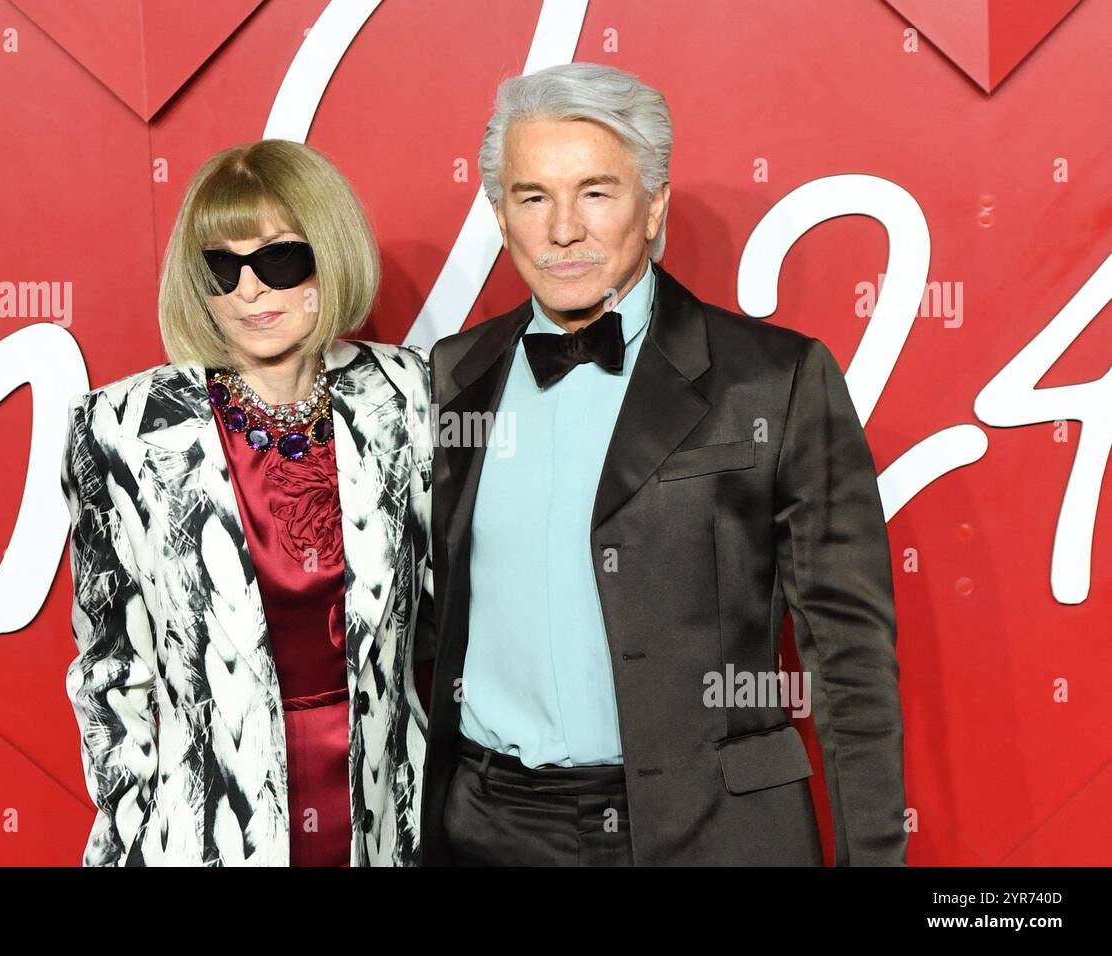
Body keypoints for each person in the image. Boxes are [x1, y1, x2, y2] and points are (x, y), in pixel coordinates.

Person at [421, 63, 907, 866]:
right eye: (532, 196)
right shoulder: (451, 374)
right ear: (499, 215)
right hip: (490, 830)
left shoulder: (775, 378)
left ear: (654, 207)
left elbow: (850, 659)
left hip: (711, 831)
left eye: (597, 193)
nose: (563, 228)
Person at [60, 140, 434, 866]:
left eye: (280, 259)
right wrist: (140, 823)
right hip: (203, 833)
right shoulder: (123, 429)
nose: (250, 291)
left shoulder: (407, 396)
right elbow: (109, 667)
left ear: (332, 250)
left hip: (380, 824)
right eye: (220, 268)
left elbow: (450, 618)